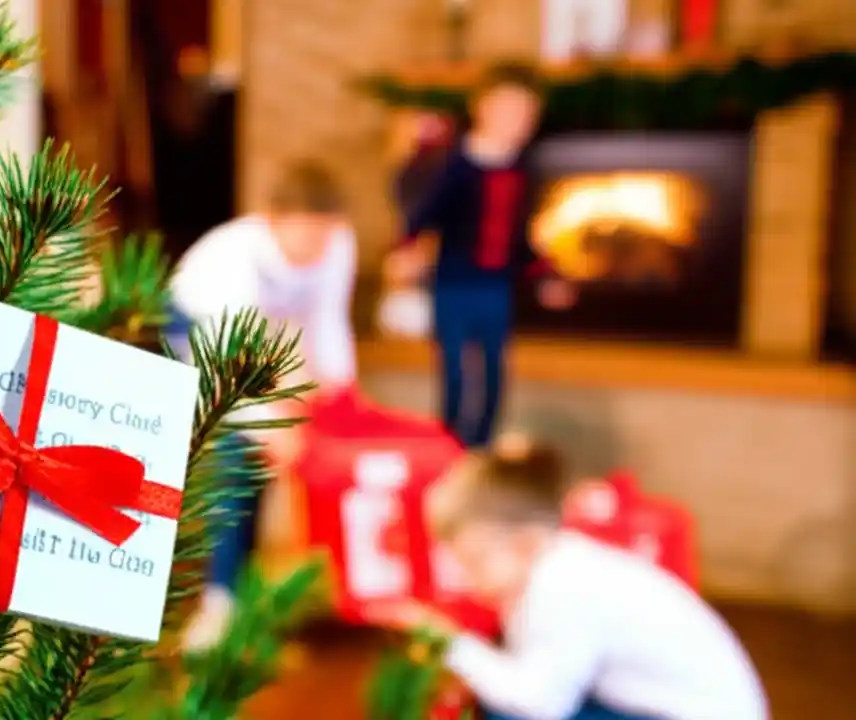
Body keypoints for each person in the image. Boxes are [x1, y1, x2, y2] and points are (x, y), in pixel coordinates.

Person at [418, 438, 768, 720]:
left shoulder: (563, 588)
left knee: (510, 712)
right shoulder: (559, 564)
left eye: (475, 562)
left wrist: (453, 646)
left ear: (525, 545)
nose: (466, 578)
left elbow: (539, 704)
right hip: (664, 707)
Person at [168, 161, 357, 651]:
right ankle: (218, 603)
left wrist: (340, 398)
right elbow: (230, 363)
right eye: (306, 236)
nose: (318, 249)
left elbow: (327, 320)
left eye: (326, 234)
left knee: (270, 455)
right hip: (192, 331)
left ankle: (246, 587)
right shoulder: (227, 265)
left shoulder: (338, 246)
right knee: (236, 457)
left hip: (265, 340)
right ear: (272, 223)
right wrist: (274, 426)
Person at [383, 63, 576, 449]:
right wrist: (405, 250)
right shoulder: (455, 165)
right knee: (455, 371)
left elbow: (521, 238)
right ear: (482, 109)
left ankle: (482, 447)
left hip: (495, 289)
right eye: (508, 110)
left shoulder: (523, 170)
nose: (517, 122)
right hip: (453, 284)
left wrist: (545, 274)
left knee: (493, 372)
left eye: (526, 114)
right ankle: (450, 446)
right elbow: (425, 215)